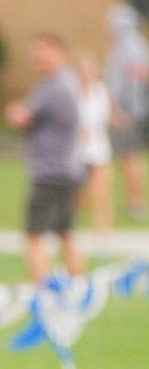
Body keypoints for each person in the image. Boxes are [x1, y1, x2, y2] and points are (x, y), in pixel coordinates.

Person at [6, 33, 86, 285]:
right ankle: (78, 286)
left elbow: (23, 118)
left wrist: (13, 111)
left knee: (34, 236)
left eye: (44, 52)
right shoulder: (69, 81)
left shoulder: (53, 86)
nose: (38, 58)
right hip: (70, 169)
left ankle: (42, 290)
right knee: (66, 232)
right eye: (35, 53)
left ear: (60, 53)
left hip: (50, 172)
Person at [104, 3, 149, 219]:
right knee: (129, 157)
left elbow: (129, 82)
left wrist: (119, 110)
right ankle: (133, 202)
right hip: (136, 109)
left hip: (126, 111)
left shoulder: (126, 46)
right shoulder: (139, 44)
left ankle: (135, 202)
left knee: (129, 157)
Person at [77, 51, 115, 252]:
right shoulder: (73, 92)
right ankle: (69, 232)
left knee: (100, 192)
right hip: (76, 151)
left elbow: (105, 117)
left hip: (97, 148)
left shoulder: (100, 91)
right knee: (76, 194)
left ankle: (102, 234)